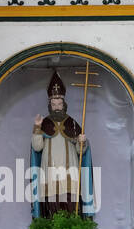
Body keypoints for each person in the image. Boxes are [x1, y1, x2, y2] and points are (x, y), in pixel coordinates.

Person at [30, 70, 94, 218]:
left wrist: (82, 142)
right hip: (50, 175)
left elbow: (80, 152)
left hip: (69, 176)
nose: (57, 107)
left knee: (71, 210)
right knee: (51, 212)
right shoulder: (44, 123)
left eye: (59, 103)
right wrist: (37, 127)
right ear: (50, 105)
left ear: (64, 104)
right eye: (54, 104)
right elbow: (37, 147)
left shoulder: (72, 123)